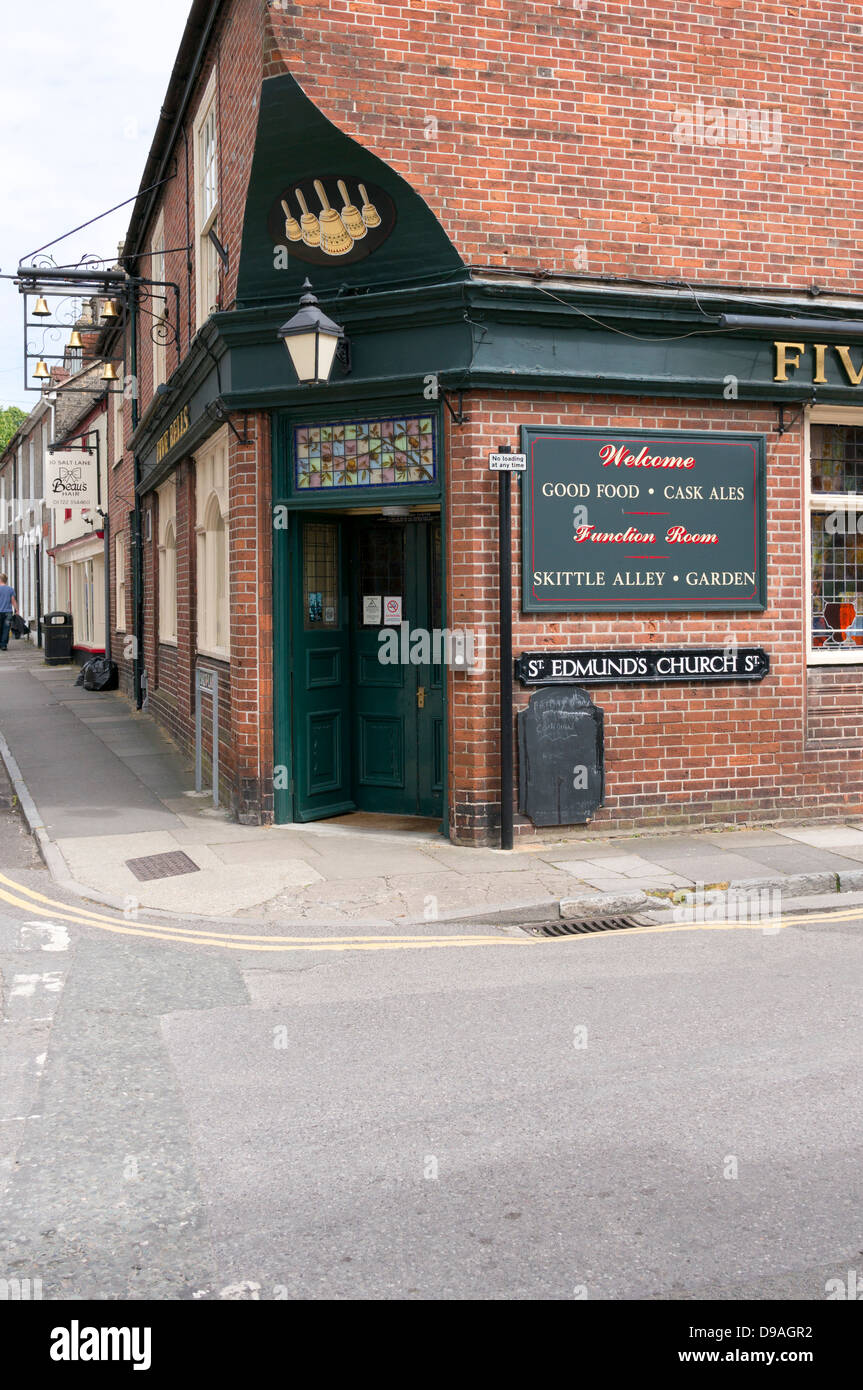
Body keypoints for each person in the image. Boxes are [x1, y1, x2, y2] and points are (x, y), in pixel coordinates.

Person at [0, 574, 19, 651]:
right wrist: (16, 609)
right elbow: (13, 600)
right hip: (8, 612)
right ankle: (3, 645)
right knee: (6, 629)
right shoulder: (10, 589)